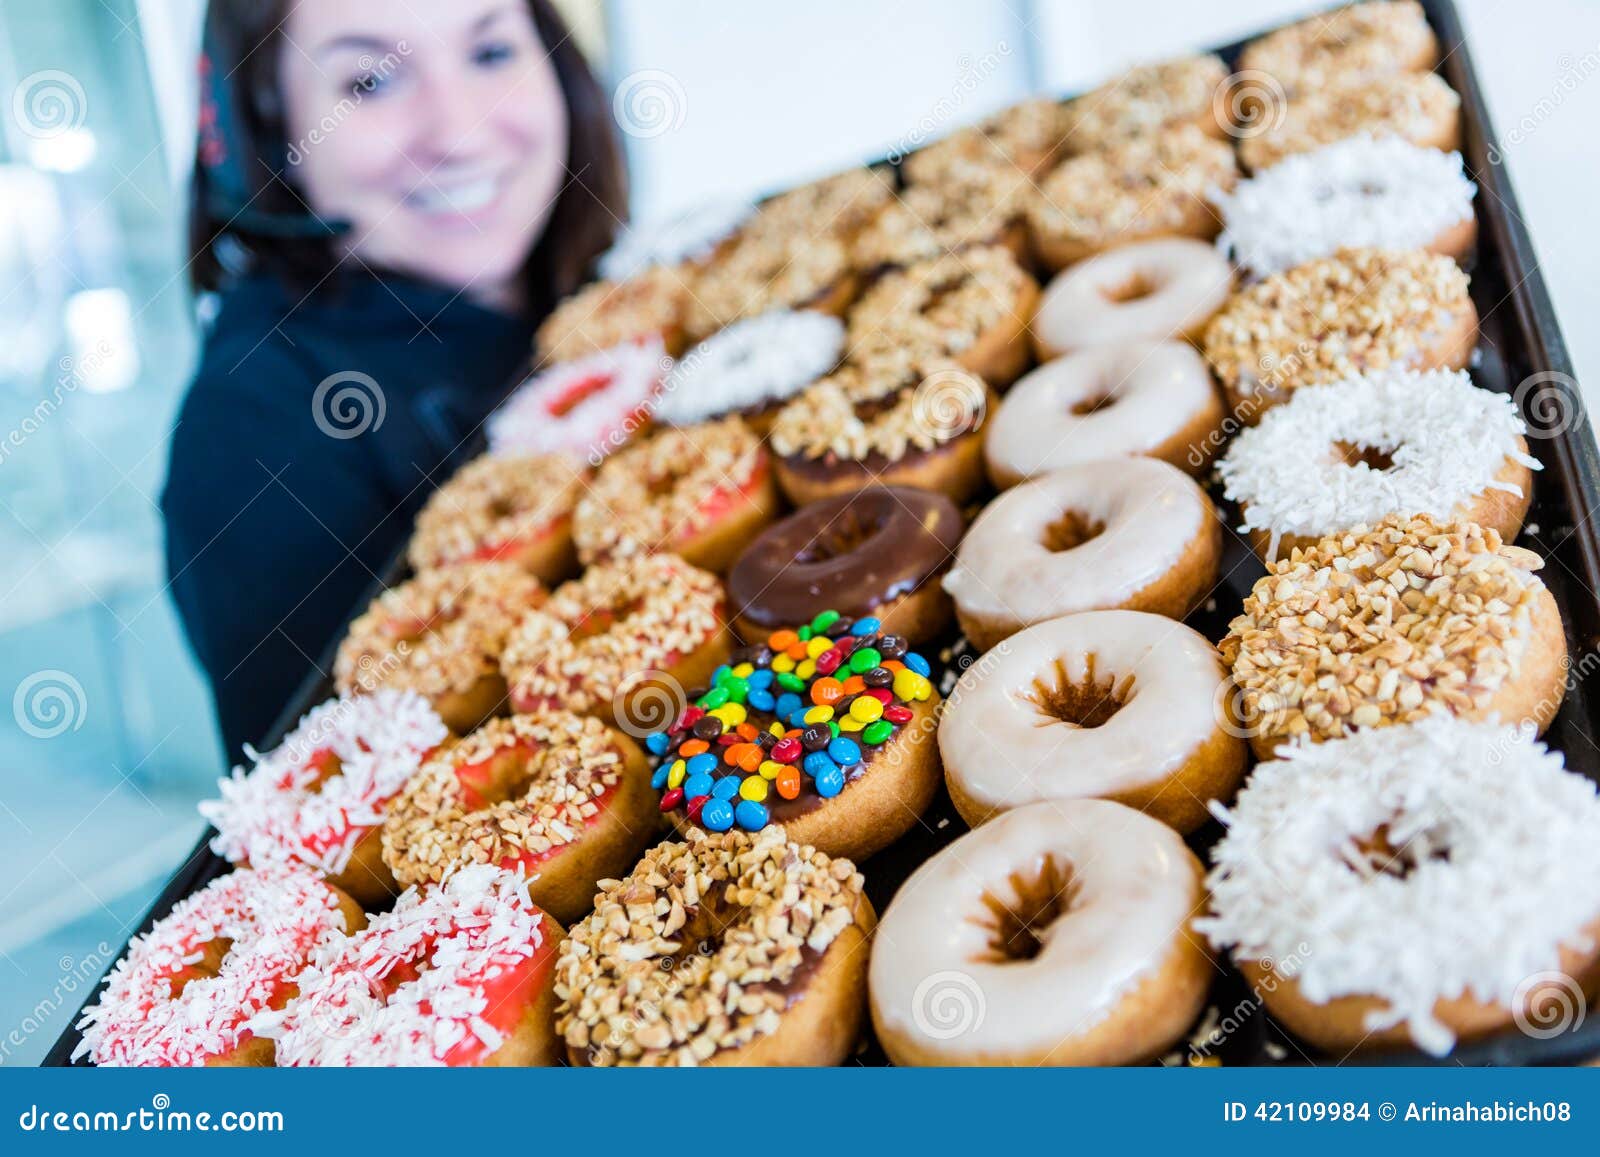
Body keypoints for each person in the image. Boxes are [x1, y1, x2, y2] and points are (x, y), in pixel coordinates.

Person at [162, 0, 625, 762]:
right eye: (371, 80)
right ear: (269, 132)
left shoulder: (594, 297)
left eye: (490, 53)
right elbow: (340, 826)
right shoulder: (255, 429)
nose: (463, 130)